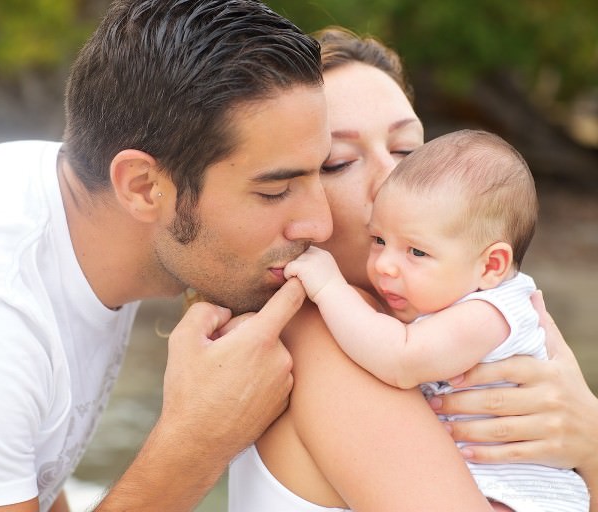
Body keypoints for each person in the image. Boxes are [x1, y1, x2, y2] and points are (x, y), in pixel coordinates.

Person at [0, 1, 334, 510]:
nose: (320, 223)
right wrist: (197, 442)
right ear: (141, 187)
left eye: (325, 170)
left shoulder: (66, 207)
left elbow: (32, 474)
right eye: (274, 192)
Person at [229, 26, 598, 512]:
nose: (393, 180)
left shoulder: (467, 314)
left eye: (409, 153)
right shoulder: (322, 331)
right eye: (338, 162)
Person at [284, 129, 589, 510]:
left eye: (416, 251)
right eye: (378, 240)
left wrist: (330, 289)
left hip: (518, 493)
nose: (385, 265)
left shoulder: (488, 314)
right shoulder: (455, 298)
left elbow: (400, 358)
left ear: (491, 265)